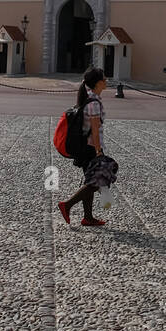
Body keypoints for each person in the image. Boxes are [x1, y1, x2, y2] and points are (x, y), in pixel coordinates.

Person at [58, 67, 118, 227]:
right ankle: (67, 205)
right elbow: (95, 131)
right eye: (104, 79)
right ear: (98, 83)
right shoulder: (94, 103)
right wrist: (99, 152)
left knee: (90, 181)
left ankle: (88, 217)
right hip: (90, 148)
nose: (106, 81)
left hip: (85, 148)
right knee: (96, 182)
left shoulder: (88, 98)